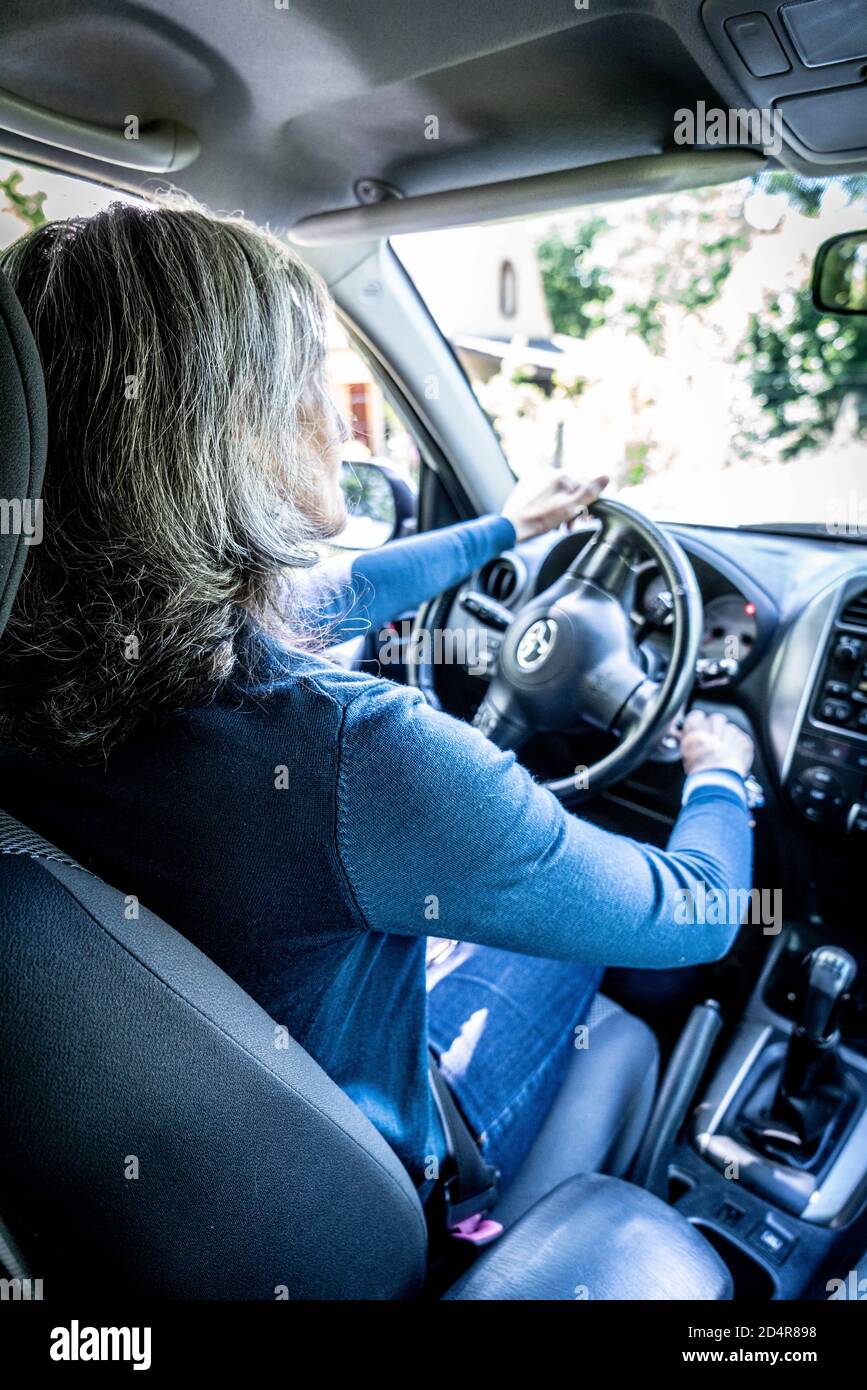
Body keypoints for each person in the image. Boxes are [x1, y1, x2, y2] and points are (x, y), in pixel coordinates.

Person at [0, 201, 753, 1195]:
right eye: (313, 372)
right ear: (233, 429)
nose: (339, 408)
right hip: (363, 1176)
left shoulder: (45, 653)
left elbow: (329, 597)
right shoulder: (368, 757)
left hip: (179, 1167)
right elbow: (697, 909)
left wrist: (503, 529)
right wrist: (720, 776)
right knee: (574, 925)